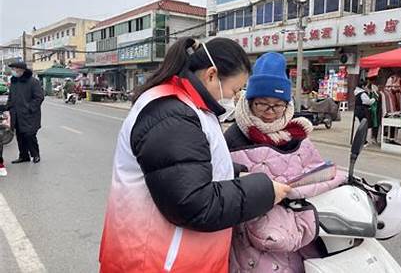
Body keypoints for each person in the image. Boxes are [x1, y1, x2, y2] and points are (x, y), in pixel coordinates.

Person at [99, 38, 291, 273]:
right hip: (156, 261)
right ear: (212, 75)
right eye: (234, 89)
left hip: (176, 257)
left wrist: (240, 171)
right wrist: (264, 190)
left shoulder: (190, 106)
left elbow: (194, 162)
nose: (234, 98)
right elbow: (193, 203)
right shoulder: (172, 114)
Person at [224, 52, 346, 273]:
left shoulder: (297, 133)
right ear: (249, 102)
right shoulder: (233, 138)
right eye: (262, 105)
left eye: (278, 105)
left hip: (299, 235)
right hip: (251, 241)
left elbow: (315, 169)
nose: (270, 113)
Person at [7, 62, 44, 164]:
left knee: (30, 135)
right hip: (16, 114)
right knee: (20, 136)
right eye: (13, 69)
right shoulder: (14, 81)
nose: (14, 71)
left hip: (30, 115)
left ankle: (35, 155)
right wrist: (9, 107)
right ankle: (23, 156)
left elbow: (39, 97)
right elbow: (11, 96)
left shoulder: (33, 82)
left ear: (22, 70)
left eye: (15, 69)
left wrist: (29, 108)